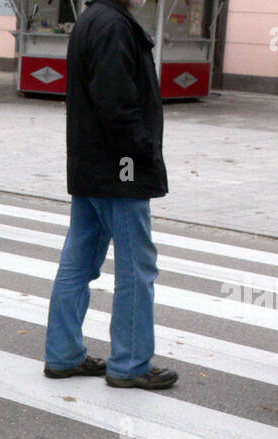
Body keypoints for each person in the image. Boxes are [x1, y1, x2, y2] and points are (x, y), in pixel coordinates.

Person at [43, 0, 176, 389]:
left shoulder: (93, 19)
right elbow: (116, 102)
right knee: (137, 266)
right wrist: (143, 148)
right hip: (121, 167)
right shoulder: (114, 25)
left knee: (79, 260)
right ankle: (131, 363)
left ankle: (63, 353)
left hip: (93, 164)